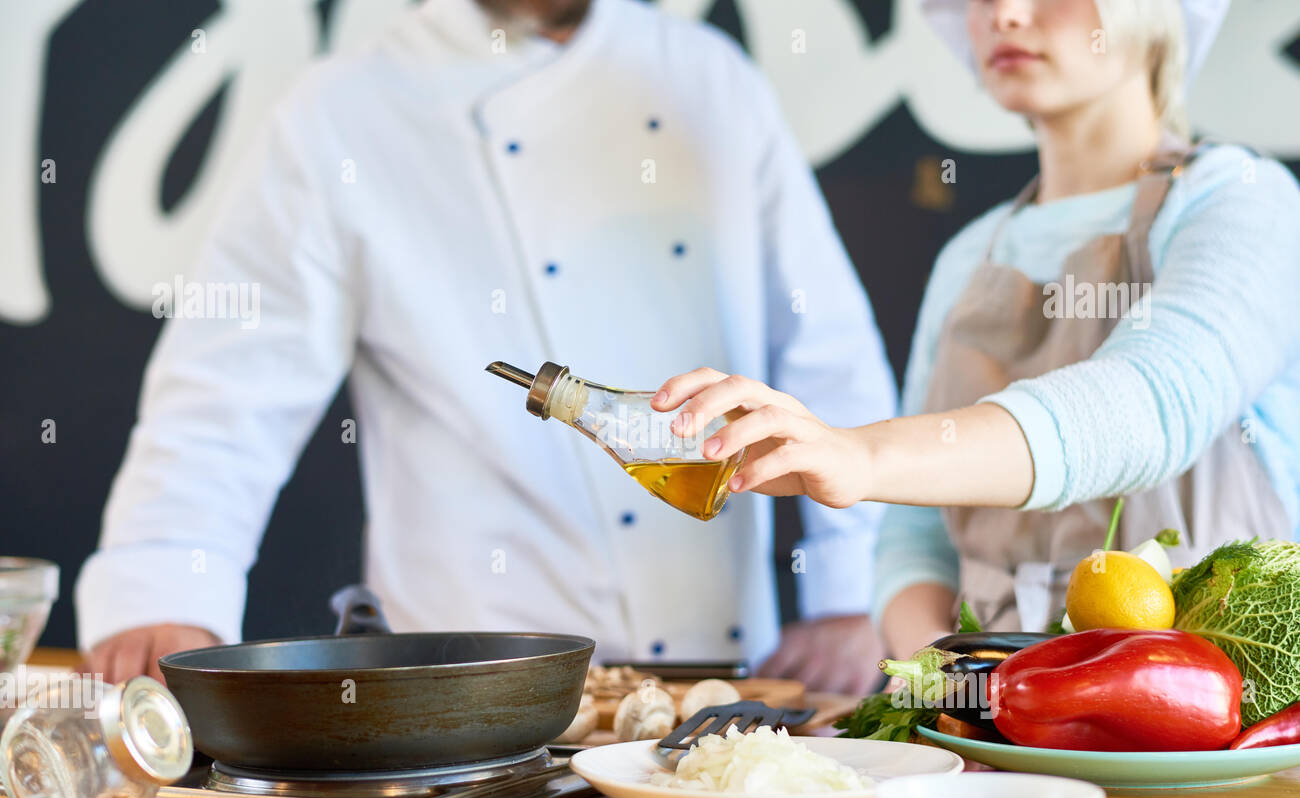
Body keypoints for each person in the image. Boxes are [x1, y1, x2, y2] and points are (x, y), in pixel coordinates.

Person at [76, 0, 897, 692]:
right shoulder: (342, 114)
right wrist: (163, 587)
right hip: (464, 697)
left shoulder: (710, 79)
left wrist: (850, 596)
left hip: (720, 691)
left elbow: (829, 352)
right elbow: (227, 396)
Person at [652, 0, 1300, 661]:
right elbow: (914, 537)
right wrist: (952, 686)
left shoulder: (1243, 200)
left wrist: (861, 455)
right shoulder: (970, 255)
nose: (1006, 14)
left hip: (1216, 733)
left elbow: (1150, 403)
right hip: (996, 734)